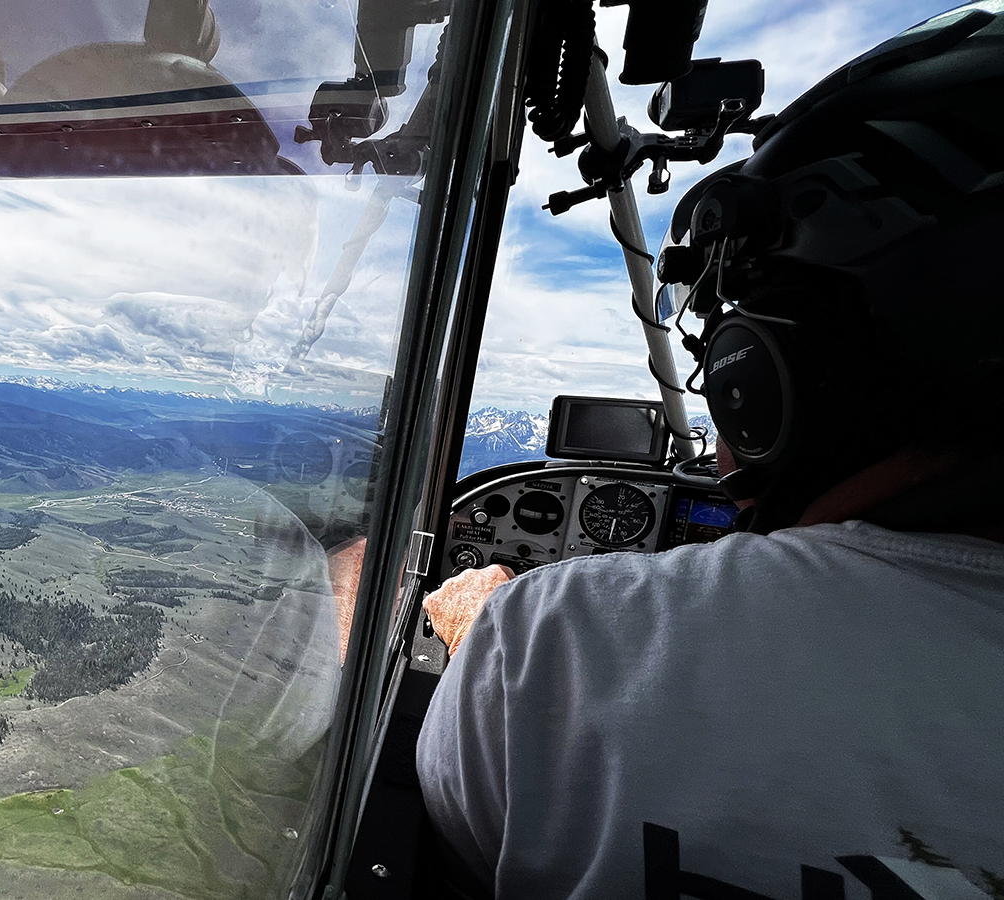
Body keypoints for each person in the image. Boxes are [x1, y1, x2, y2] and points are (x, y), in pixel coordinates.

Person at [415, 6, 1004, 898]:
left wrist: (479, 632)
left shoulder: (553, 644)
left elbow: (463, 838)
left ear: (760, 381)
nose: (721, 466)